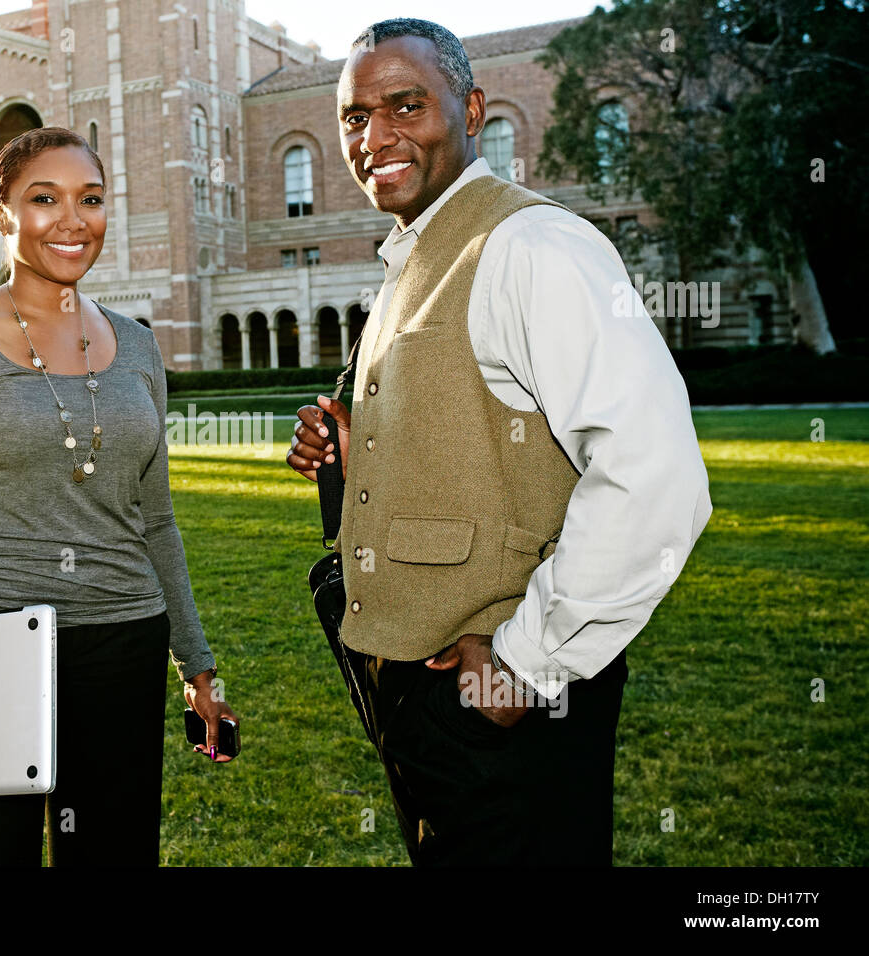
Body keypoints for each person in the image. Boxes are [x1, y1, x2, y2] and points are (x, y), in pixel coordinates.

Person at [286, 18, 712, 866]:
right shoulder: (416, 253)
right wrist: (351, 446)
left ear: (471, 108)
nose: (375, 138)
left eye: (406, 106)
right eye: (354, 118)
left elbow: (655, 477)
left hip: (500, 711)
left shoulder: (532, 245)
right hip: (430, 704)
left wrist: (526, 665)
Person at [0, 126, 237, 867]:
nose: (73, 220)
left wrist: (198, 672)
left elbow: (158, 522)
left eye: (91, 199)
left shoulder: (138, 347)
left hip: (123, 646)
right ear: (2, 213)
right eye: (44, 199)